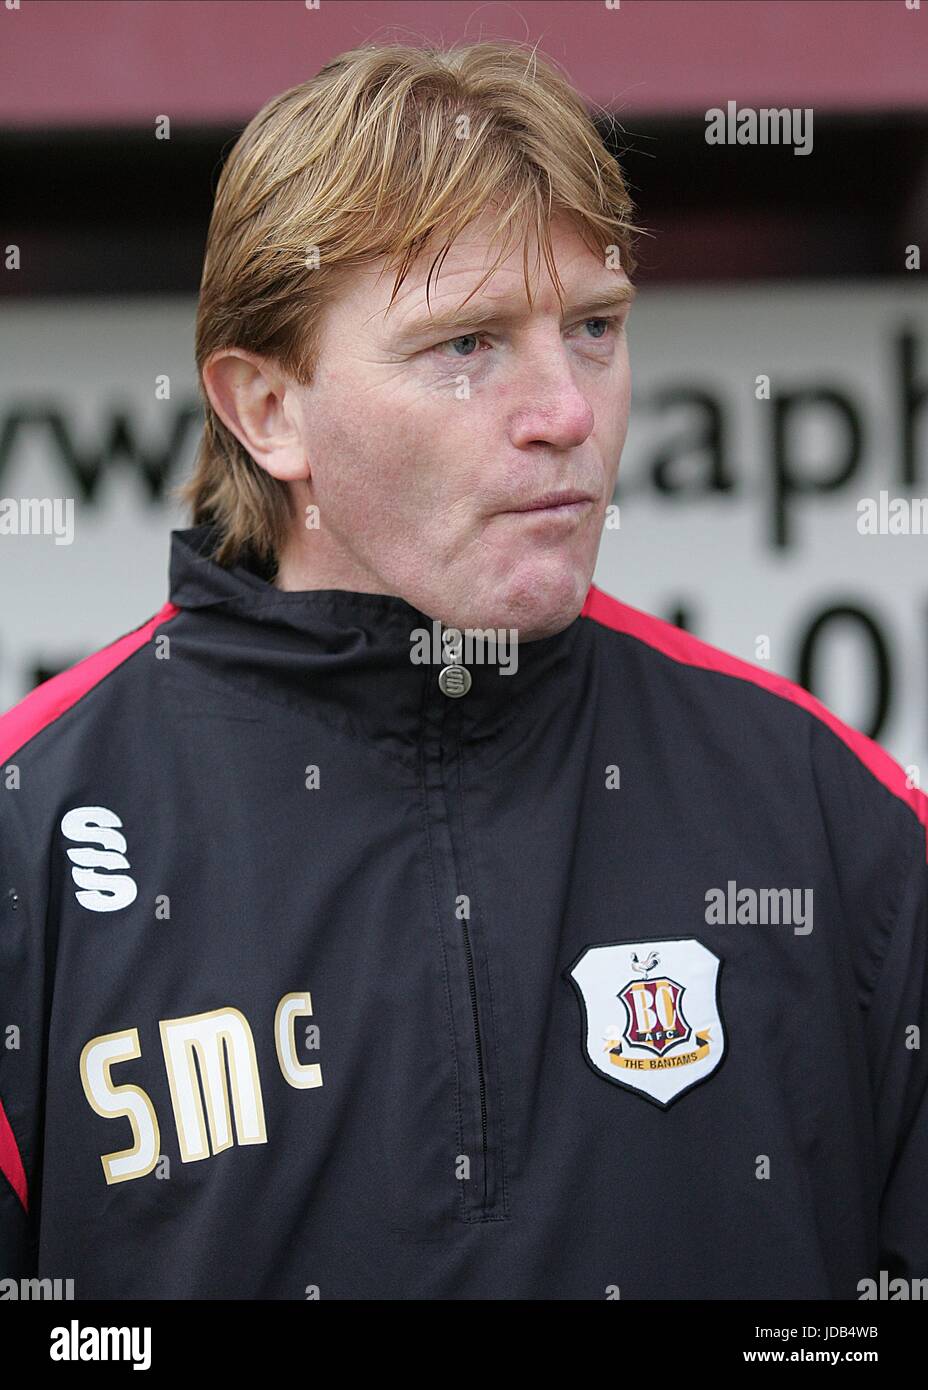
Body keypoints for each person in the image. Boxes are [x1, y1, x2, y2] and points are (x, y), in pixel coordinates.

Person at [0, 39, 926, 1301]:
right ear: (267, 409)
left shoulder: (842, 822)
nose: (567, 411)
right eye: (468, 344)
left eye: (594, 327)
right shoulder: (29, 835)